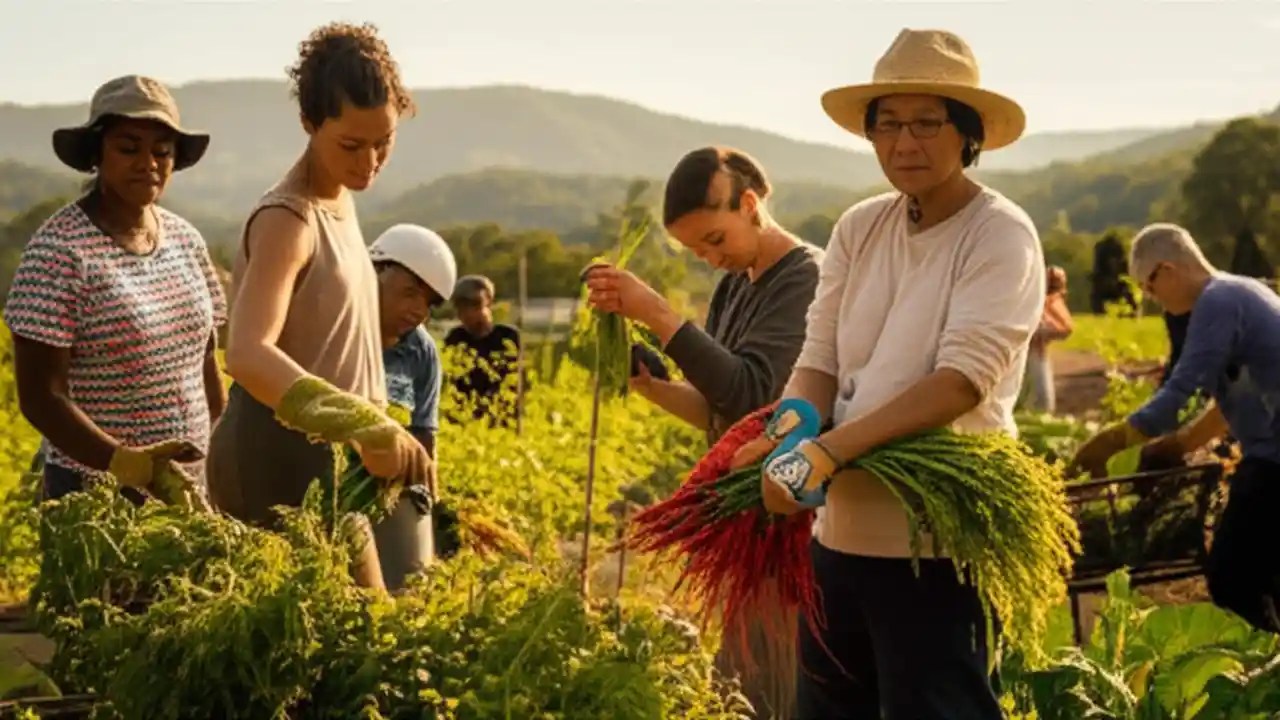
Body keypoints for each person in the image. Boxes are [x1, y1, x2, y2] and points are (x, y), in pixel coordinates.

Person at [733, 29, 1044, 720]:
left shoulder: (998, 234)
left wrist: (827, 452)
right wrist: (790, 436)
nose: (906, 143)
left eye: (928, 122)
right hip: (839, 542)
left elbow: (962, 380)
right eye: (889, 124)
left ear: (967, 133)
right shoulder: (858, 227)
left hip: (936, 549)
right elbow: (817, 360)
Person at [584, 146, 823, 718]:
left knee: (779, 684)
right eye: (697, 250)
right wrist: (651, 386)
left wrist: (659, 315)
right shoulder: (735, 284)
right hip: (749, 520)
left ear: (749, 203)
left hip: (791, 522)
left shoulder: (807, 278)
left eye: (714, 240)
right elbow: (726, 420)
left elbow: (756, 397)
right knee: (742, 685)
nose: (710, 258)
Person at [206, 22, 430, 590]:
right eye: (350, 146)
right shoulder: (289, 218)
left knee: (354, 646)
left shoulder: (340, 200)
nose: (369, 162)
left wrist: (375, 425)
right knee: (345, 644)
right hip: (275, 455)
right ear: (309, 124)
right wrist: (364, 425)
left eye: (384, 140)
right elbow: (248, 354)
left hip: (330, 458)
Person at [4, 75, 226, 505]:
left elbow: (204, 356)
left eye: (162, 151)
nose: (148, 163)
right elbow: (41, 397)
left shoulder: (186, 240)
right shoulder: (58, 252)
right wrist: (126, 463)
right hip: (96, 493)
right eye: (129, 148)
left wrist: (217, 448)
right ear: (96, 154)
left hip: (189, 489)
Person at [1070, 222, 1280, 635]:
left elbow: (1183, 389)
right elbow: (1234, 400)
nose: (1150, 297)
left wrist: (1112, 441)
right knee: (1260, 574)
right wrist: (1182, 443)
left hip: (1273, 460)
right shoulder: (1241, 292)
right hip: (1269, 453)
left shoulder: (1217, 301)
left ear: (1167, 269)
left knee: (1231, 577)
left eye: (1148, 285)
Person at [367, 223, 456, 591]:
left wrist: (431, 510)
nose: (418, 310)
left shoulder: (421, 353)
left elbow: (423, 441)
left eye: (430, 302)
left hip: (387, 490)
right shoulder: (335, 327)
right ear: (374, 275)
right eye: (409, 293)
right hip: (319, 485)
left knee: (407, 589)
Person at [443, 275, 522, 424]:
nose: (469, 314)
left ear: (489, 304)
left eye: (475, 306)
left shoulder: (507, 338)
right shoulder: (455, 339)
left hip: (503, 418)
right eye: (462, 308)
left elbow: (513, 383)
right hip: (463, 420)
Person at [1024, 265, 1074, 413]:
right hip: (1022, 352)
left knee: (1043, 402)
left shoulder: (1051, 300)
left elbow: (1066, 328)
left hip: (1037, 352)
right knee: (1037, 400)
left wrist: (1045, 331)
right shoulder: (1030, 295)